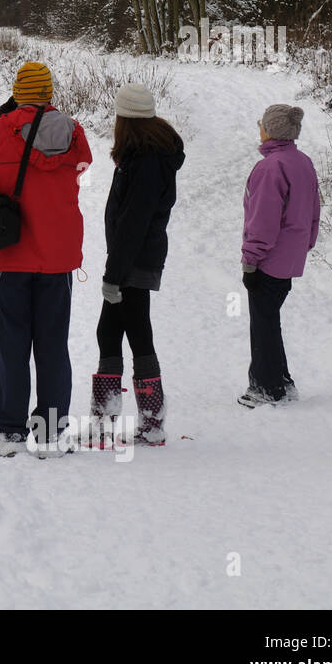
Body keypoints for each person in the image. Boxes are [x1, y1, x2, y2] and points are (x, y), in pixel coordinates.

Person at [0, 61, 93, 457]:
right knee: (53, 343)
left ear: (17, 92)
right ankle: (50, 432)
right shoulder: (73, 132)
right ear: (49, 93)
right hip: (57, 256)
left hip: (9, 255)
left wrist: (3, 126)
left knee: (11, 342)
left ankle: (11, 431)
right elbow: (83, 164)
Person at [92, 84, 185, 447]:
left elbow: (134, 222)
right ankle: (123, 422)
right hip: (132, 257)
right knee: (114, 331)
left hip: (134, 260)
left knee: (132, 331)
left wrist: (114, 275)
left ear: (125, 119)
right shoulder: (144, 152)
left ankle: (140, 423)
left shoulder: (146, 161)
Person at [239, 104, 320, 408]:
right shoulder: (302, 162)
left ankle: (267, 387)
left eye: (261, 123)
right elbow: (314, 210)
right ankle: (281, 382)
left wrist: (250, 259)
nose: (258, 126)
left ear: (272, 130)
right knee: (269, 320)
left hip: (269, 259)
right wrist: (305, 245)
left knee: (263, 323)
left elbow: (263, 220)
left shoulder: (270, 168)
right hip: (290, 258)